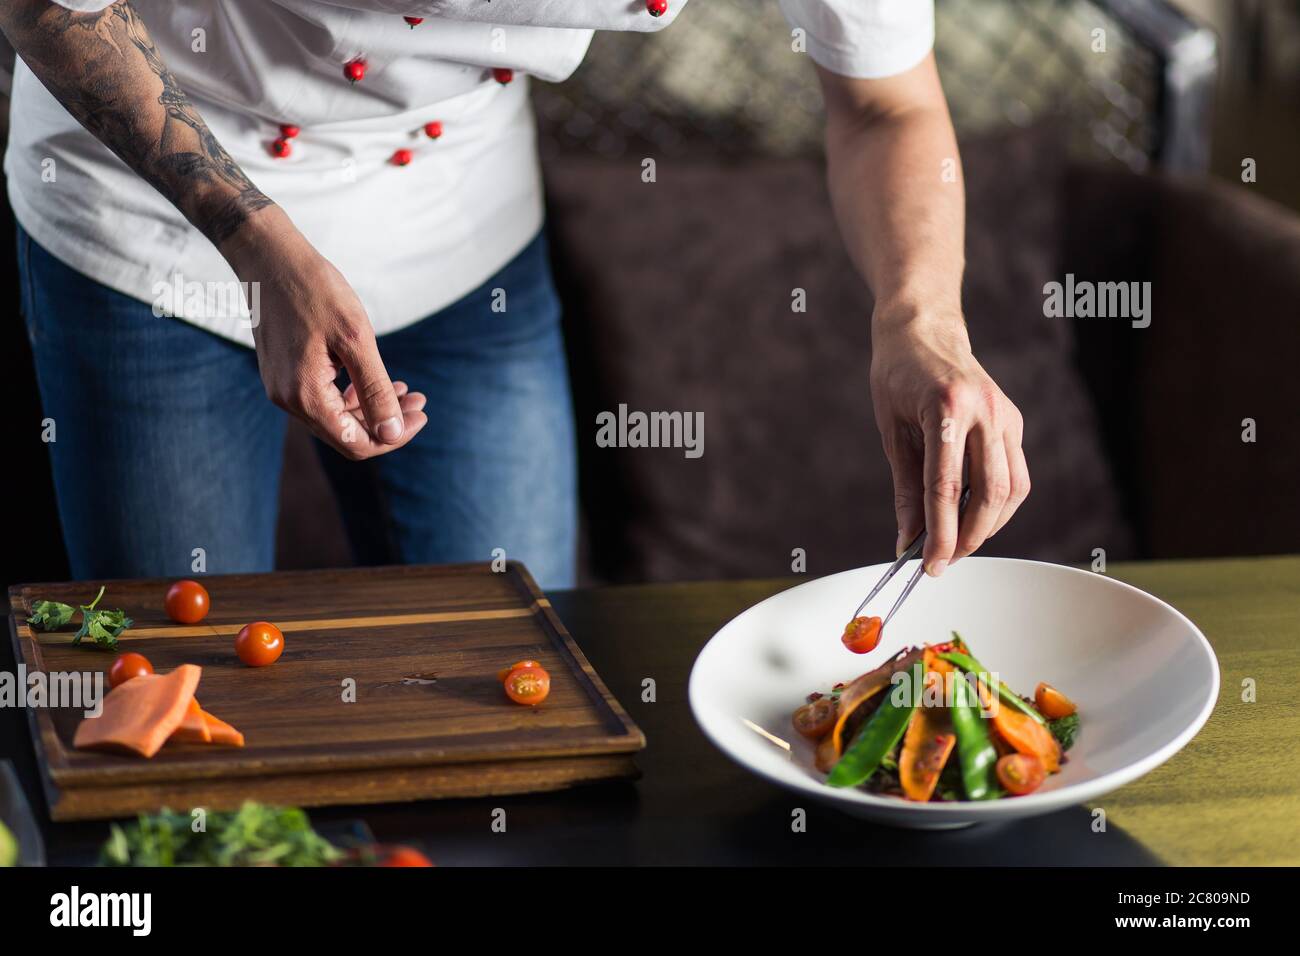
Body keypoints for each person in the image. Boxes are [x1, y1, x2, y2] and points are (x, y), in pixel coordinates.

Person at [0, 0, 1028, 590]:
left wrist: (918, 314)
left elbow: (887, 102)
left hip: (452, 209)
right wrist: (257, 241)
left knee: (511, 699)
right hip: (157, 200)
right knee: (182, 717)